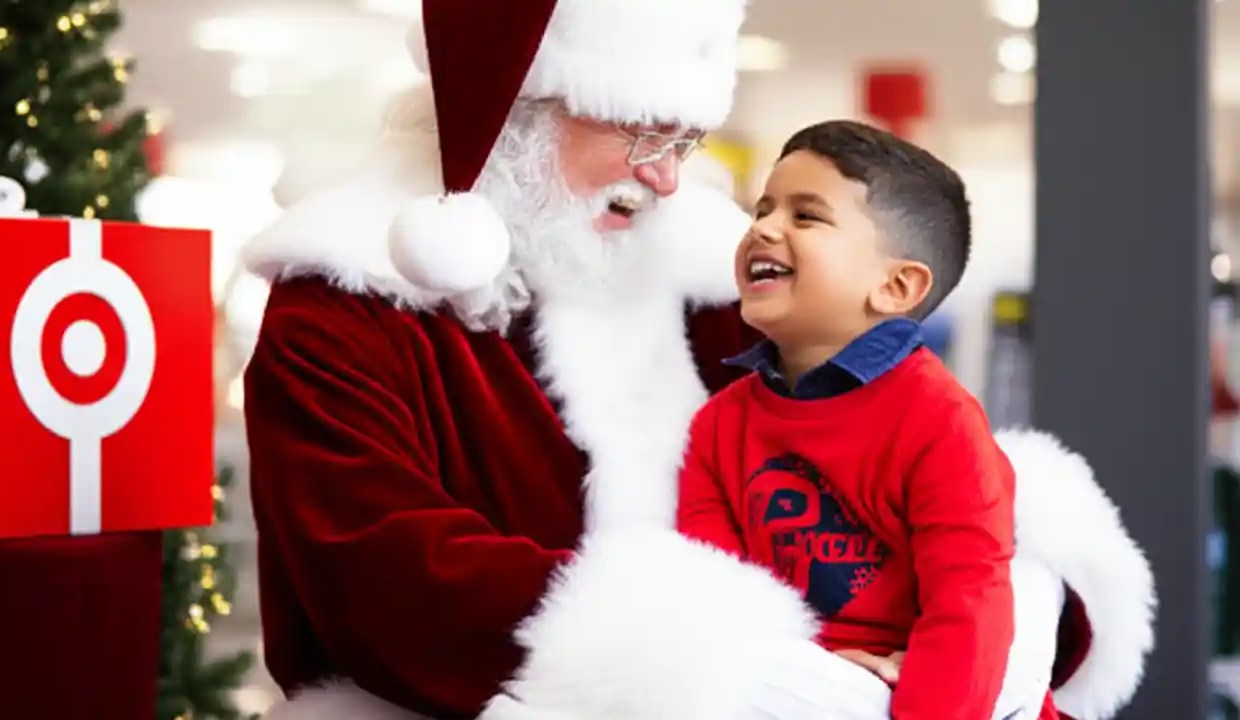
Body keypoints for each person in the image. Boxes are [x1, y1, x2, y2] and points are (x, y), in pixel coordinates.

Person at [239, 2, 1155, 719]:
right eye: (642, 134)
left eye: (684, 143)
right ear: (513, 113)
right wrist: (747, 672)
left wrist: (1012, 597)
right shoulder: (344, 307)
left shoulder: (712, 287)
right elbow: (388, 583)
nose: (668, 177)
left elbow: (908, 457)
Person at [676, 120, 1038, 720]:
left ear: (896, 286)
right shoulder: (718, 424)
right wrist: (811, 675)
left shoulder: (940, 421)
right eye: (763, 207)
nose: (763, 226)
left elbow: (969, 603)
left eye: (806, 215)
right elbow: (715, 599)